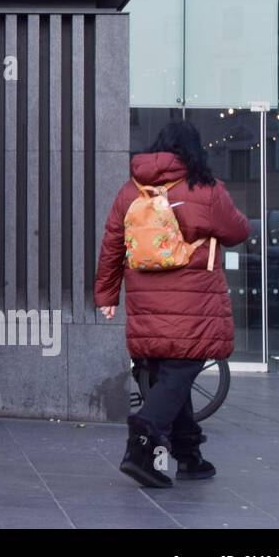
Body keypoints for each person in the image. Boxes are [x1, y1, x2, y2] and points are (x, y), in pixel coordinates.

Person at [93, 119, 250, 487]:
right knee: (180, 372)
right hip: (193, 304)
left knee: (169, 376)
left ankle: (189, 455)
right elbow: (238, 231)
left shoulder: (130, 192)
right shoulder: (206, 189)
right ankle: (142, 441)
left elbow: (112, 245)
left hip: (145, 303)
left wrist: (106, 295)